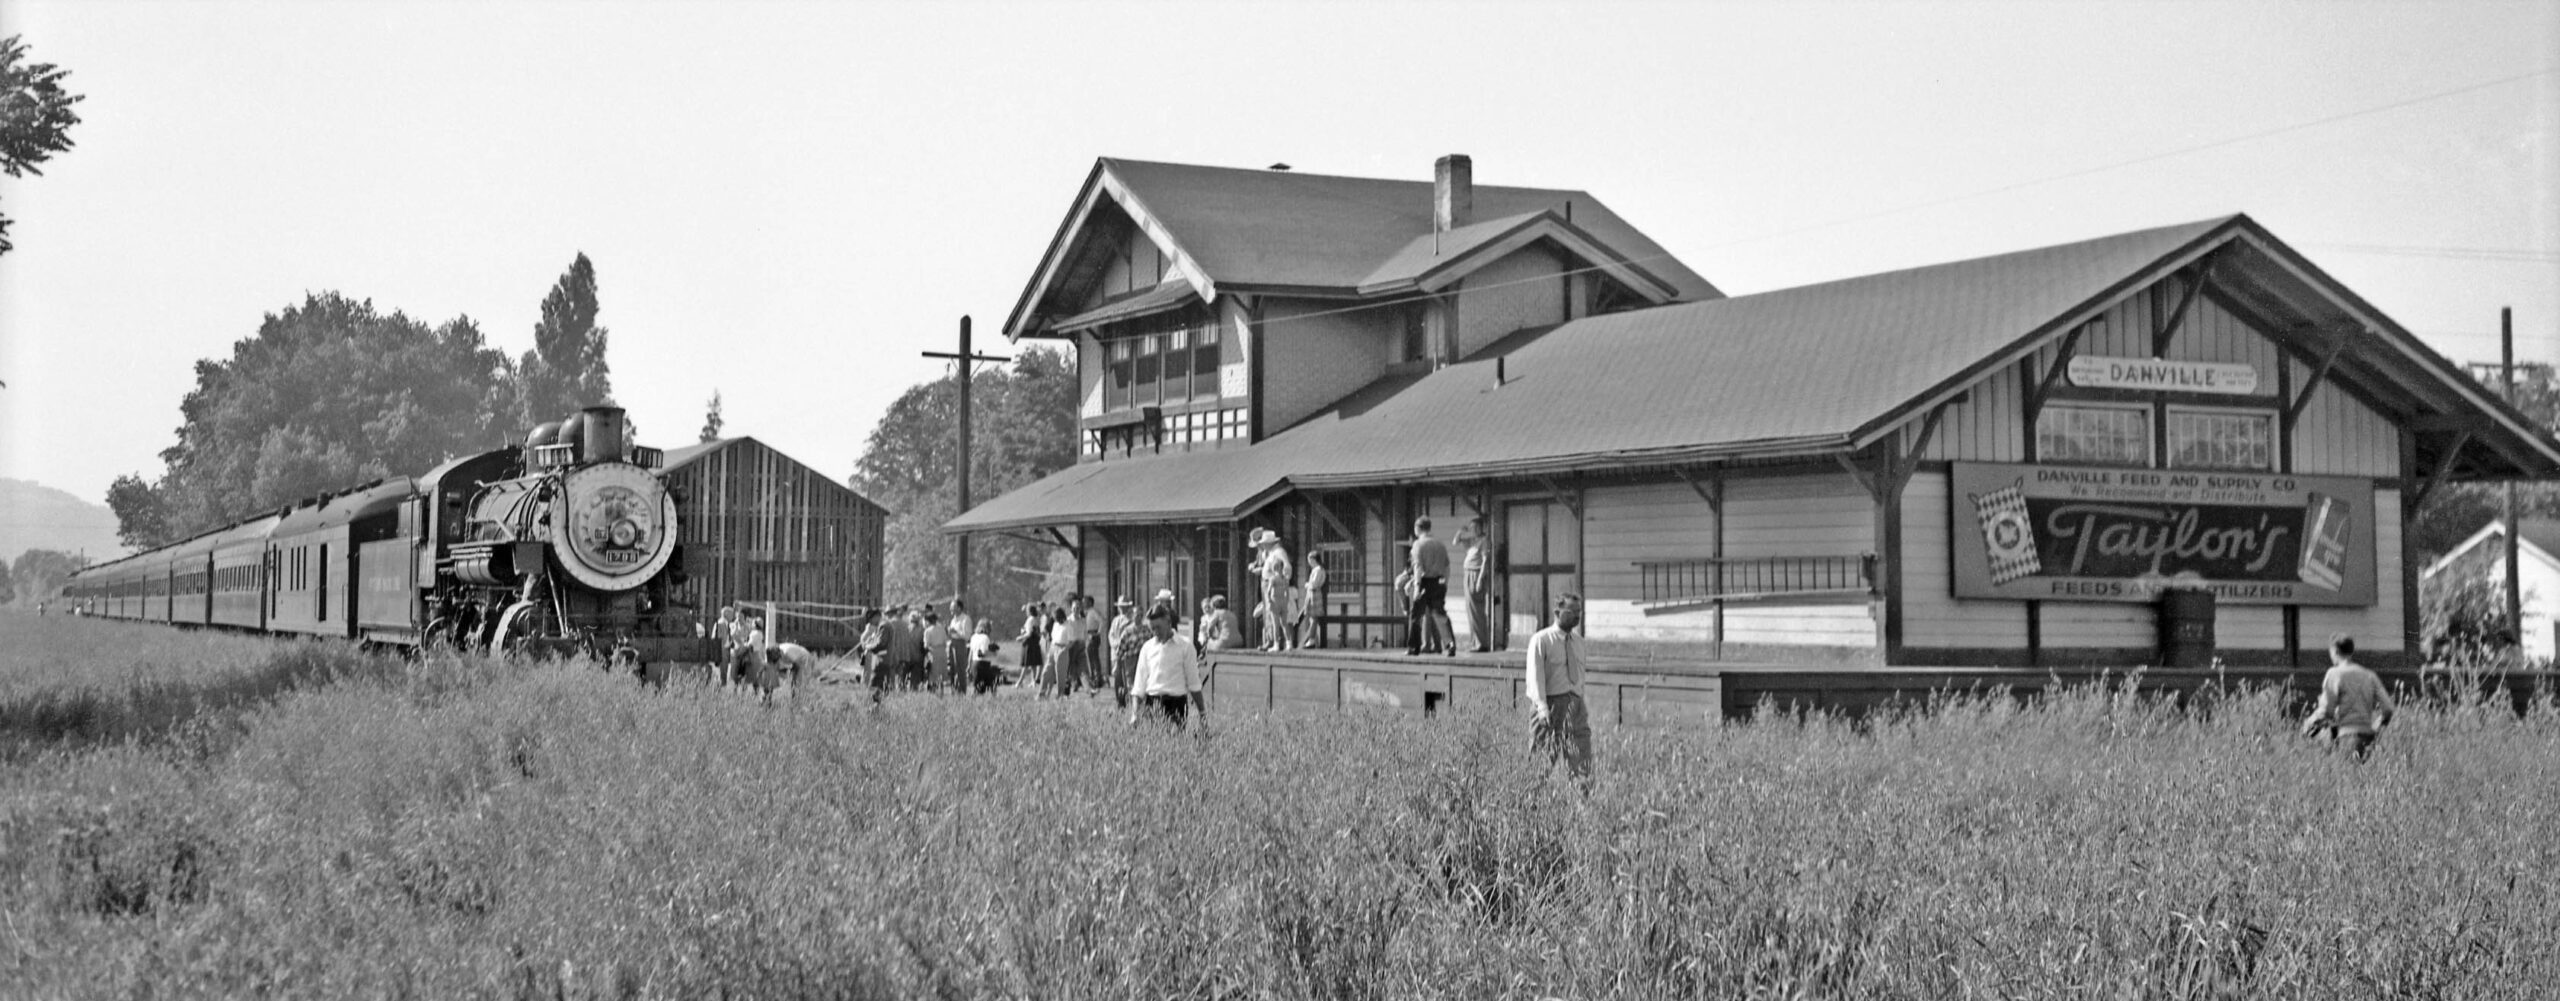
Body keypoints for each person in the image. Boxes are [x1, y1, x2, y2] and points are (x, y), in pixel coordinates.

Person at [1525, 593, 1592, 782]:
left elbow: (1580, 676)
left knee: (1582, 765)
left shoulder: (1579, 643)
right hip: (1551, 708)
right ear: (1557, 612)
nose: (1577, 617)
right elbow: (1535, 676)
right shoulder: (1542, 640)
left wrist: (1579, 703)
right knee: (1540, 766)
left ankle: (1582, 808)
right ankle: (1530, 807)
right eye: (1572, 612)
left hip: (1575, 707)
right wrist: (1542, 707)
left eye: (1579, 612)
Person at [2301, 633, 2395, 762]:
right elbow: (2388, 709)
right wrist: (2375, 729)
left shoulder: (2334, 674)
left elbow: (2326, 711)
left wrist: (2309, 723)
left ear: (2334, 651)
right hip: (2367, 737)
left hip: (2345, 736)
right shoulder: (2369, 675)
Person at [1128, 603, 1205, 728]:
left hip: (1176, 704)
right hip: (1152, 703)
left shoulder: (1185, 646)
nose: (1155, 632)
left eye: (1158, 627)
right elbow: (1139, 685)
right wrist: (1135, 714)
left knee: (1173, 742)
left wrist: (1202, 713)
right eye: (1152, 628)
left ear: (1168, 622)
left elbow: (1194, 683)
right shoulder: (1147, 648)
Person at [1405, 517, 1456, 657]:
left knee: (1416, 615)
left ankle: (1413, 647)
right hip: (1438, 582)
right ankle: (1450, 644)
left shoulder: (1418, 545)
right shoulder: (1440, 544)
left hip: (1424, 582)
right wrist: (1444, 583)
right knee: (1440, 613)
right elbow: (1447, 566)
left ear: (1418, 528)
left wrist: (1416, 586)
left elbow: (1418, 567)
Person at [1246, 528, 1293, 651]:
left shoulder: (1278, 552)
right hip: (1269, 583)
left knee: (1274, 616)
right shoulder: (1272, 552)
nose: (1261, 546)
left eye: (1263, 543)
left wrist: (1284, 580)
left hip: (1273, 586)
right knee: (1269, 614)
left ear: (1268, 543)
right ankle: (1273, 641)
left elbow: (1286, 566)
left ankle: (1276, 642)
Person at [1458, 517, 1493, 652]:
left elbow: (1485, 561)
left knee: (1476, 610)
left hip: (1476, 574)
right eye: (1471, 527)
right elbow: (1455, 541)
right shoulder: (1473, 541)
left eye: (1475, 527)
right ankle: (1474, 642)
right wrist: (1461, 530)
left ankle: (1481, 643)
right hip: (1468, 573)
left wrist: (1479, 579)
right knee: (1470, 609)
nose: (1473, 530)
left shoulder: (1484, 541)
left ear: (1481, 527)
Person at [1108, 595, 1142, 708]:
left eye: (1125, 606)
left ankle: (1128, 701)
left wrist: (1120, 643)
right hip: (1115, 652)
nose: (1122, 608)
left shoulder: (1130, 621)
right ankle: (1119, 702)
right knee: (1117, 678)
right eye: (1120, 606)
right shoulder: (1115, 620)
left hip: (1127, 653)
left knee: (1127, 679)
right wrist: (1114, 643)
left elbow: (1128, 637)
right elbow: (1111, 634)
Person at [1296, 558, 1327, 649]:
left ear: (1313, 559)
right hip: (1312, 593)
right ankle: (1312, 639)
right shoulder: (1318, 569)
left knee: (1313, 617)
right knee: (1311, 617)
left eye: (1310, 560)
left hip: (1314, 593)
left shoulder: (1318, 570)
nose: (1309, 562)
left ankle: (1312, 640)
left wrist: (1307, 585)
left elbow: (1314, 584)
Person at [1081, 594, 1109, 692]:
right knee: (1090, 658)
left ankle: (1097, 679)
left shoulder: (1093, 612)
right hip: (1088, 636)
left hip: (1093, 635)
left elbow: (1102, 620)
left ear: (1090, 602)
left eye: (1084, 602)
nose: (1083, 603)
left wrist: (1098, 633)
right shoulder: (1087, 613)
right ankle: (1094, 678)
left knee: (1093, 658)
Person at [1017, 602, 1046, 689]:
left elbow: (1029, 633)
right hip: (1035, 643)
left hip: (1029, 643)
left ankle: (1019, 682)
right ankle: (1033, 681)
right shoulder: (1037, 618)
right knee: (1033, 664)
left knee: (1026, 664)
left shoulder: (1030, 619)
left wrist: (1020, 637)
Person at [968, 620, 1001, 694]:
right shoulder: (986, 638)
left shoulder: (973, 637)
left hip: (974, 664)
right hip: (984, 665)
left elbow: (971, 653)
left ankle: (972, 701)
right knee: (991, 684)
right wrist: (994, 653)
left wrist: (969, 666)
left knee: (977, 686)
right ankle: (994, 700)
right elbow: (983, 653)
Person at [922, 611, 949, 692]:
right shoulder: (942, 628)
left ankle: (933, 692)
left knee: (933, 674)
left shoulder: (928, 631)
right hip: (942, 652)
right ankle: (941, 691)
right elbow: (945, 641)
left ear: (928, 621)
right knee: (941, 673)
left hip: (933, 652)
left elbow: (926, 645)